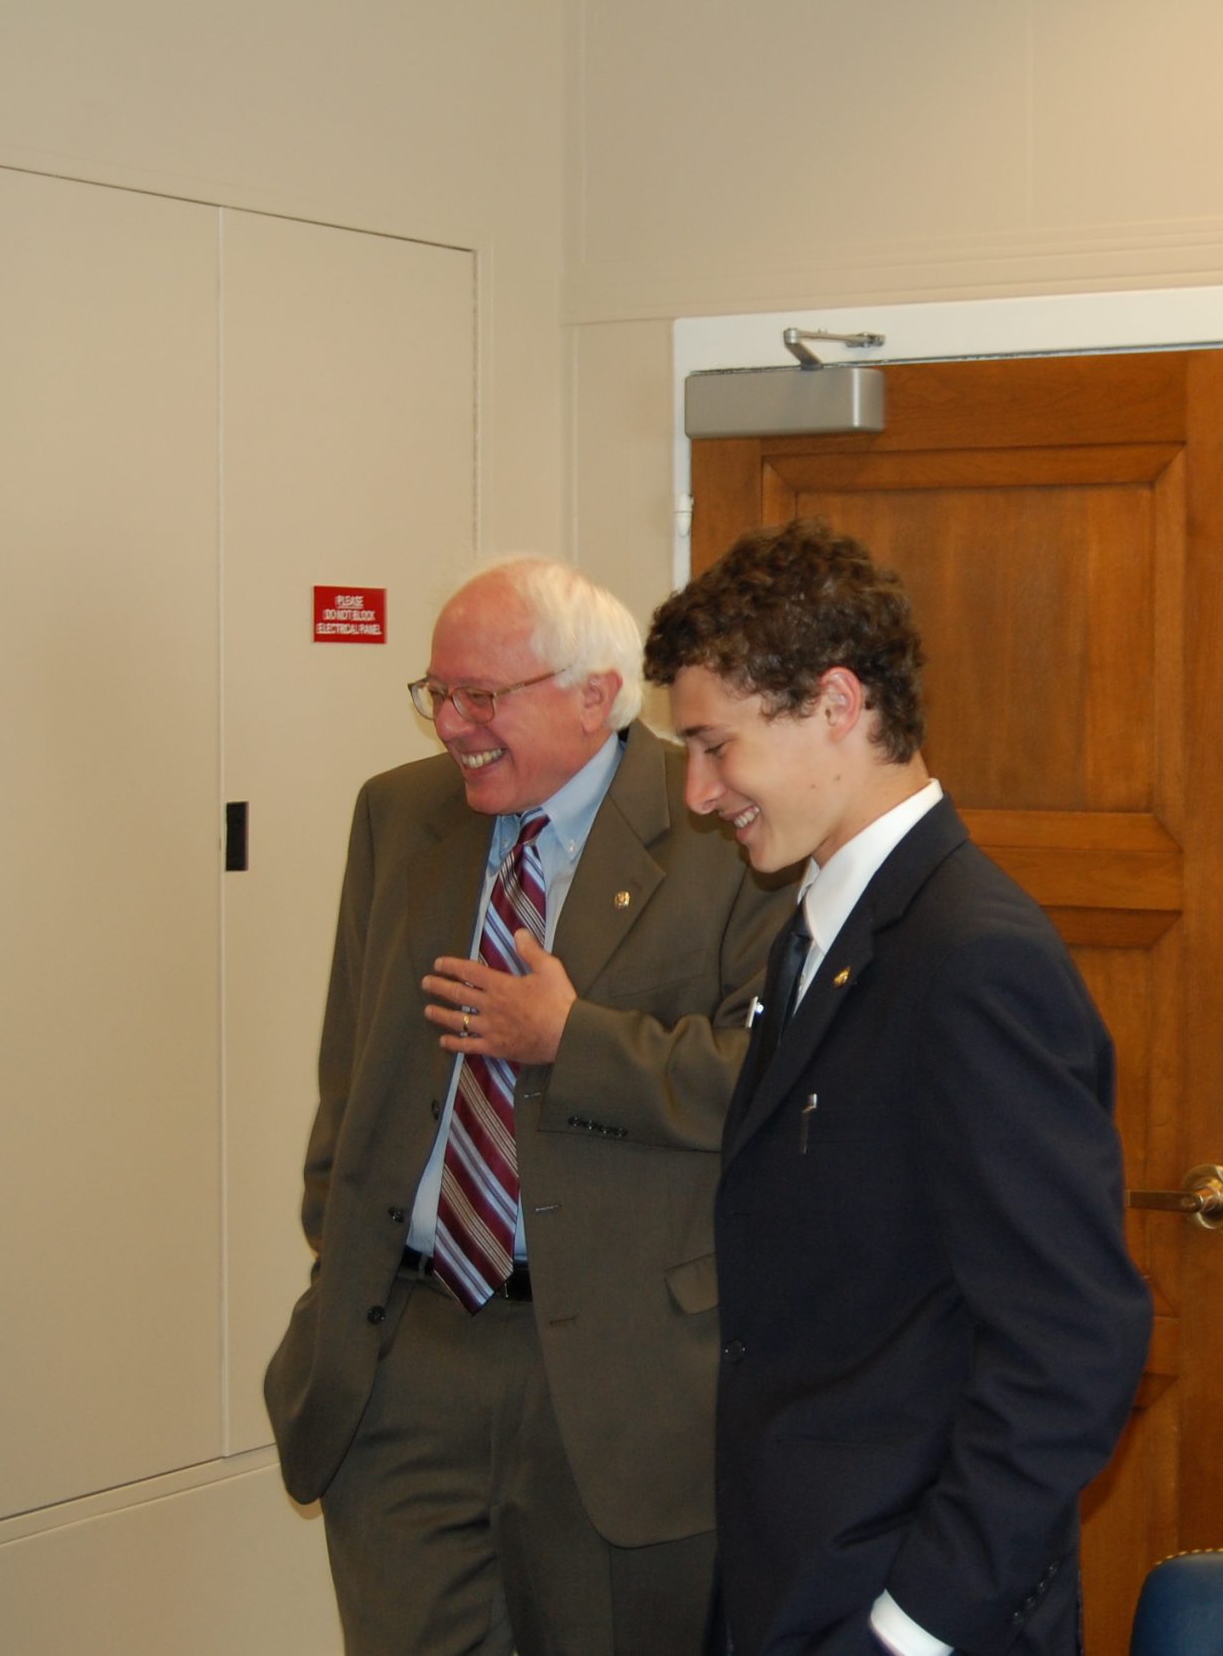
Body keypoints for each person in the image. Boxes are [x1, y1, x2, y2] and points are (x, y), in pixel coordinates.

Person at [264, 557, 793, 1656]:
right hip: (406, 1356)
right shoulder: (399, 816)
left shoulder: (722, 830)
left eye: (483, 698)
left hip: (613, 1381)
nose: (452, 726)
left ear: (594, 695)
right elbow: (348, 1071)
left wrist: (572, 1042)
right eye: (436, 693)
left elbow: (773, 1079)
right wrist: (340, 1266)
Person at [644, 521, 1152, 1656]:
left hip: (902, 1613)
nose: (696, 791)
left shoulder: (973, 957)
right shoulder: (816, 929)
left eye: (716, 747)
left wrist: (909, 1629)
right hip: (797, 1582)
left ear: (836, 704)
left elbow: (1072, 1347)